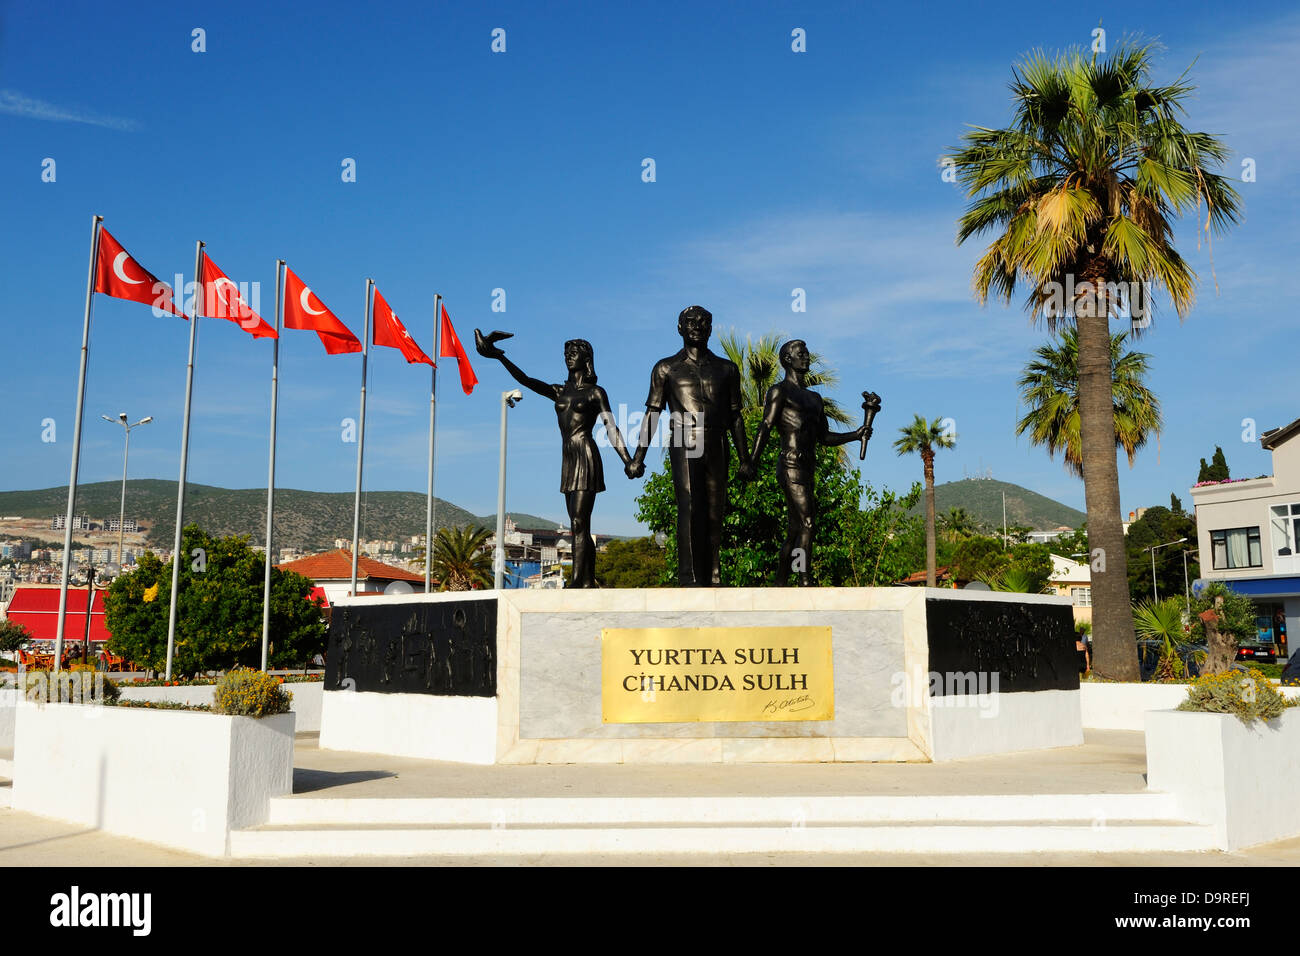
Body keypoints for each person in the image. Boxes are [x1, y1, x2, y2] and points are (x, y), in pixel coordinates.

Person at [474, 331, 633, 588]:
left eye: (573, 354)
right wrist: (498, 357)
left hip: (586, 454)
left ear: (586, 358)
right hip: (568, 459)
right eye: (566, 354)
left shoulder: (595, 393)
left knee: (580, 522)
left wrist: (628, 460)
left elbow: (611, 428)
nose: (568, 358)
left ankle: (579, 582)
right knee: (576, 525)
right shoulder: (558, 391)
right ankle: (588, 581)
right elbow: (524, 379)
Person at [626, 306, 753, 586]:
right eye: (690, 322)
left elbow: (735, 416)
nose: (697, 325)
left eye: (703, 322)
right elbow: (652, 413)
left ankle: (714, 574)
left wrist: (745, 458)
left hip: (717, 439)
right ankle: (690, 576)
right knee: (691, 504)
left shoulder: (727, 369)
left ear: (710, 328)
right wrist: (638, 457)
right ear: (680, 328)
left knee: (715, 508)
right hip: (685, 438)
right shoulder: (666, 367)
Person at [747, 339, 870, 586]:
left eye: (807, 353)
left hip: (808, 467)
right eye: (801, 353)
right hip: (790, 464)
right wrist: (751, 461)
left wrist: (856, 435)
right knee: (808, 522)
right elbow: (766, 426)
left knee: (796, 529)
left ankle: (781, 581)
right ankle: (804, 578)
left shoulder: (815, 399)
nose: (807, 357)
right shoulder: (779, 391)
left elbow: (824, 437)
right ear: (787, 359)